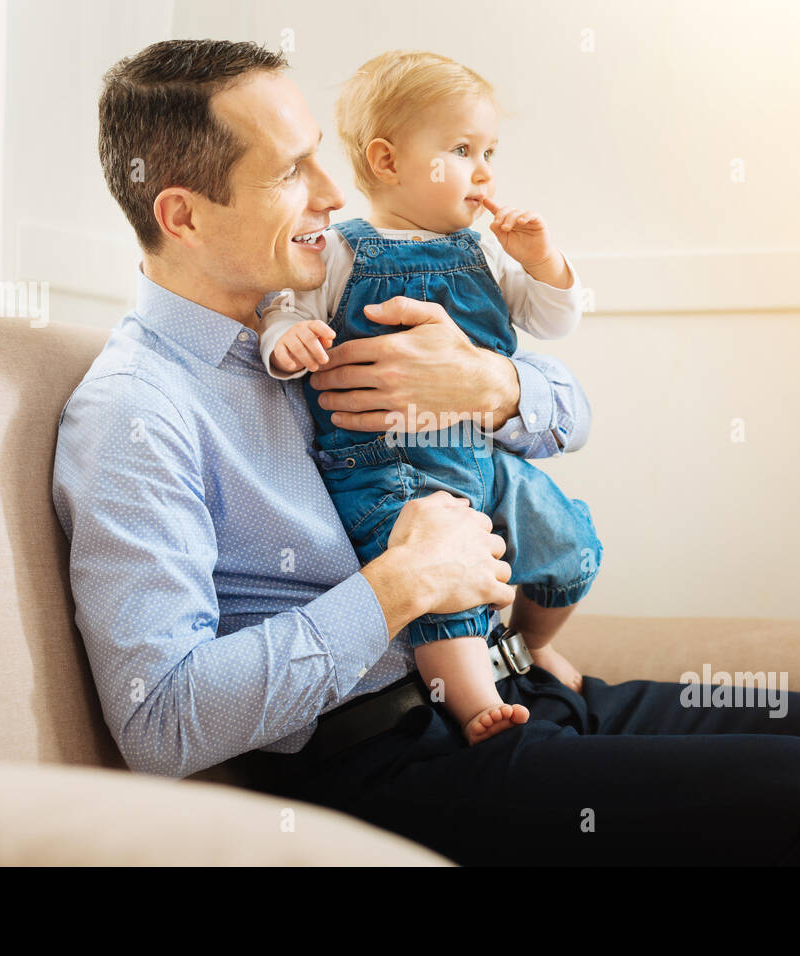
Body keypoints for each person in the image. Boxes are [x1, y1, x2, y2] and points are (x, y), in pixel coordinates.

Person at [52, 38, 800, 866]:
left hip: (516, 681)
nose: (334, 192)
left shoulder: (325, 308)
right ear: (180, 214)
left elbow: (569, 414)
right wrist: (401, 585)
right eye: (292, 170)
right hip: (394, 755)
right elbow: (159, 720)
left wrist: (492, 385)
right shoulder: (140, 414)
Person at [257, 50, 601, 745]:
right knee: (434, 576)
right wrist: (284, 338)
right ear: (387, 163)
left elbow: (553, 318)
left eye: (490, 152)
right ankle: (475, 705)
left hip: (479, 456)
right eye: (462, 149)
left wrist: (540, 260)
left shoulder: (487, 254)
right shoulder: (341, 253)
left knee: (565, 538)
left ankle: (530, 643)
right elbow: (287, 308)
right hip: (388, 468)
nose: (485, 172)